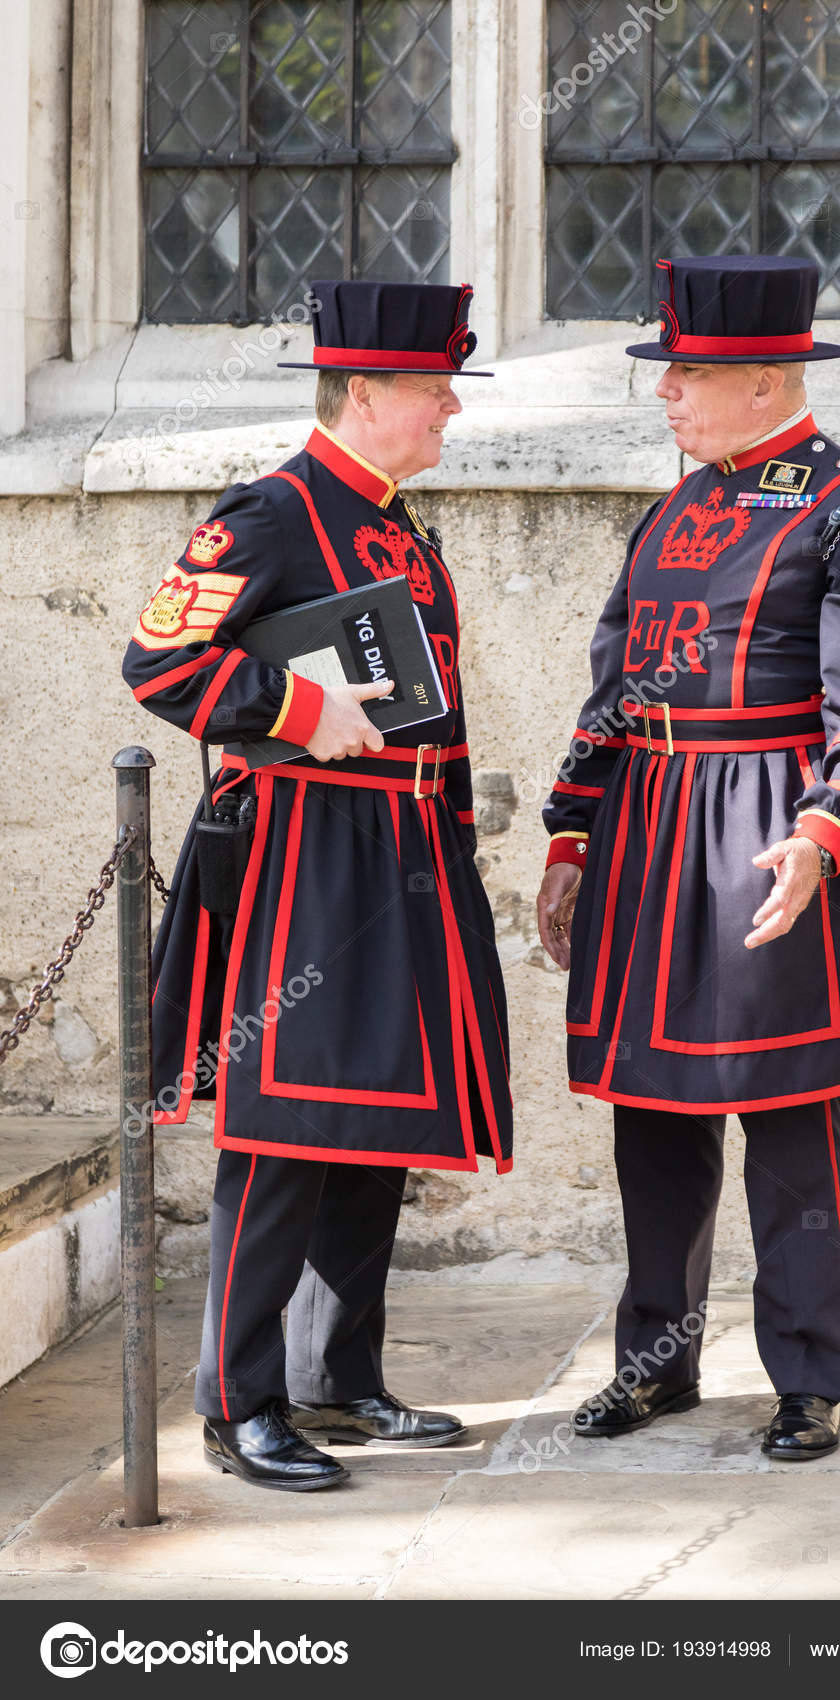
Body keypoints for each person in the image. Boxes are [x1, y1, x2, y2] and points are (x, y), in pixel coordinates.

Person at [536, 254, 840, 1461]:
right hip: (648, 829)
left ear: (760, 381)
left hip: (768, 825)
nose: (662, 393)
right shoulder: (669, 506)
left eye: (682, 375)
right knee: (651, 1112)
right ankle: (653, 1365)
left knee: (786, 1113)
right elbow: (612, 682)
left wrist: (822, 837)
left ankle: (806, 1379)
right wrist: (569, 833)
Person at [123, 279, 512, 1491]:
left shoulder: (401, 521)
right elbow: (157, 658)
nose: (449, 405)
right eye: (433, 388)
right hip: (306, 854)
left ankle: (337, 1378)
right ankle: (238, 1406)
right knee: (287, 1129)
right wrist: (299, 707)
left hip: (401, 853)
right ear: (363, 392)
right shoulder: (272, 513)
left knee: (370, 1127)